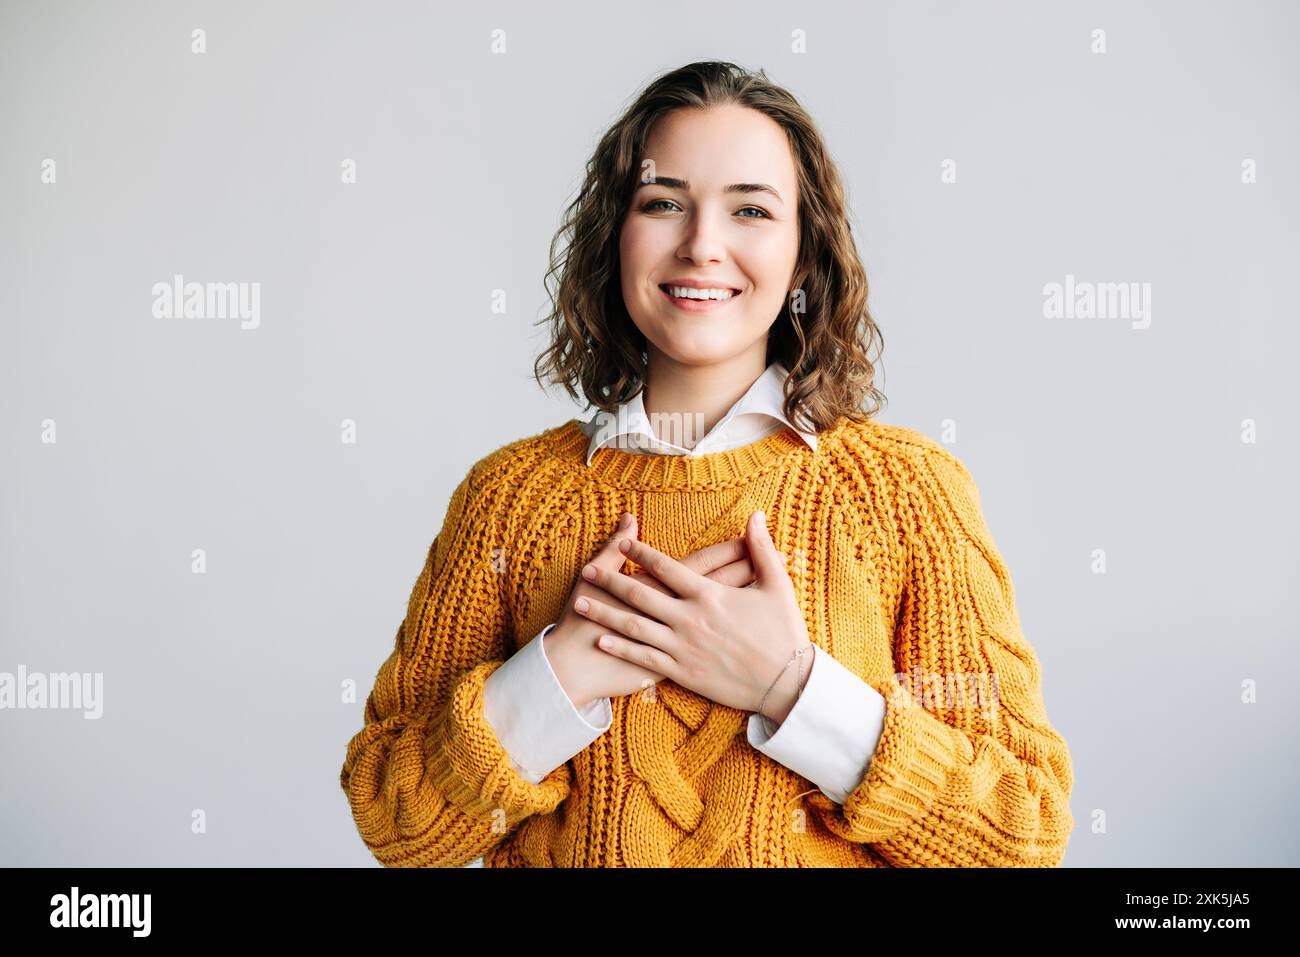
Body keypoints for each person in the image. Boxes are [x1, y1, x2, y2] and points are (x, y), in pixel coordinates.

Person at [339, 61, 1074, 868]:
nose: (701, 246)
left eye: (750, 209)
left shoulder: (906, 491)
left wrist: (791, 687)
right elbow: (395, 823)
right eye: (664, 203)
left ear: (803, 255)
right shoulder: (508, 497)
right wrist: (559, 672)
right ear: (614, 237)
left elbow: (1023, 835)